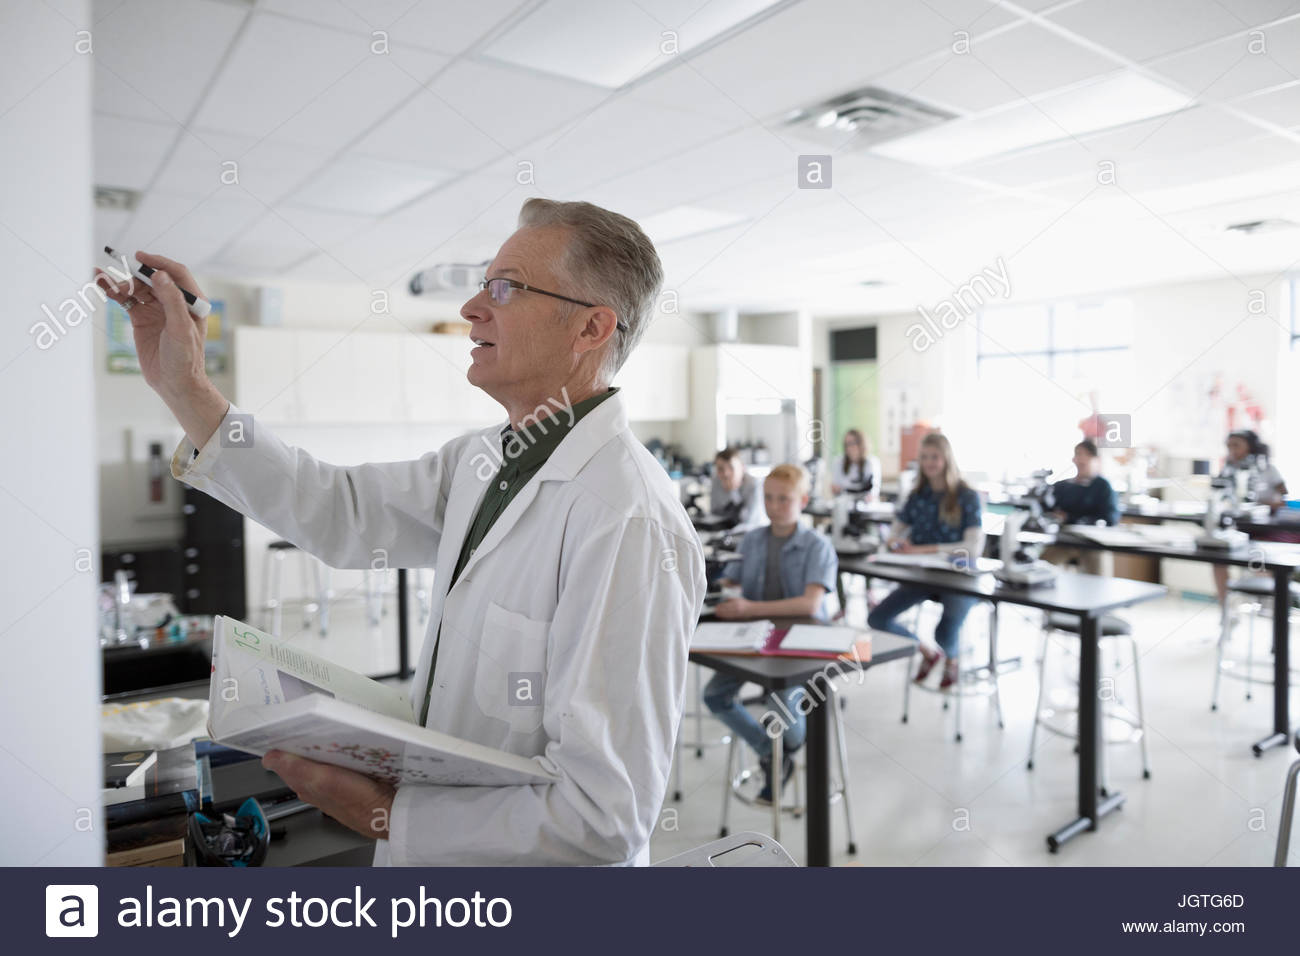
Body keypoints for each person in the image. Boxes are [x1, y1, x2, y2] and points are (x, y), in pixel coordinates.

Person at [93, 199, 706, 866]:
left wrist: (387, 813)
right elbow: (336, 510)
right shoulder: (489, 459)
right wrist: (186, 386)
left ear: (592, 327)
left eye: (504, 288)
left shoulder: (628, 521)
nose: (472, 307)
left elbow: (602, 819)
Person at [703, 464, 838, 805]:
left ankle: (782, 755)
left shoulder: (818, 546)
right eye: (768, 498)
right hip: (755, 639)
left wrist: (749, 609)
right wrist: (705, 576)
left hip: (799, 646)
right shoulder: (752, 539)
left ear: (803, 500)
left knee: (785, 716)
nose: (774, 505)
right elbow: (731, 582)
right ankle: (770, 753)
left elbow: (809, 605)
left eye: (784, 499)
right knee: (715, 695)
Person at [867, 433, 984, 689]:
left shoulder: (967, 496)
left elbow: (972, 547)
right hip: (922, 575)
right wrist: (895, 543)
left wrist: (921, 549)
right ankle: (929, 654)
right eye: (924, 457)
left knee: (944, 633)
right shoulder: (917, 495)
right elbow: (895, 531)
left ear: (947, 459)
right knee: (878, 618)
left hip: (958, 577)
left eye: (935, 457)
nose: (929, 463)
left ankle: (951, 659)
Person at [1213, 429, 1289, 605]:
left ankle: (1267, 604)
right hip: (1238, 526)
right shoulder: (1229, 469)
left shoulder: (1267, 469)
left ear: (1250, 447)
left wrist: (1267, 504)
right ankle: (1226, 608)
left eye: (1236, 445)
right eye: (1229, 446)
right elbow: (1220, 494)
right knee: (1217, 559)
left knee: (1260, 558)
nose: (1232, 450)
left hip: (1265, 527)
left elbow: (1284, 498)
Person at [1041, 439, 1119, 576]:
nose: (1081, 459)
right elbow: (1048, 507)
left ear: (1096, 459)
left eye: (1086, 455)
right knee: (1040, 567)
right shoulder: (1063, 486)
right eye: (1078, 454)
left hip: (1093, 543)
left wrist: (1072, 518)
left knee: (1099, 577)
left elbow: (1111, 518)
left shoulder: (1103, 486)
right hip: (1065, 539)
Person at [709, 446, 765, 531]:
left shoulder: (754, 485)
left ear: (742, 468)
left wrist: (733, 491)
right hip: (725, 530)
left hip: (751, 531)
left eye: (731, 467)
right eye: (720, 469)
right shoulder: (716, 480)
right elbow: (714, 511)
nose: (726, 473)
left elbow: (746, 520)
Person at [829, 428, 881, 501]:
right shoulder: (838, 462)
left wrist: (869, 496)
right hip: (844, 503)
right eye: (847, 444)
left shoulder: (872, 462)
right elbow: (835, 487)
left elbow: (874, 489)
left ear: (861, 444)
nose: (849, 448)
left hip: (866, 505)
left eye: (852, 443)